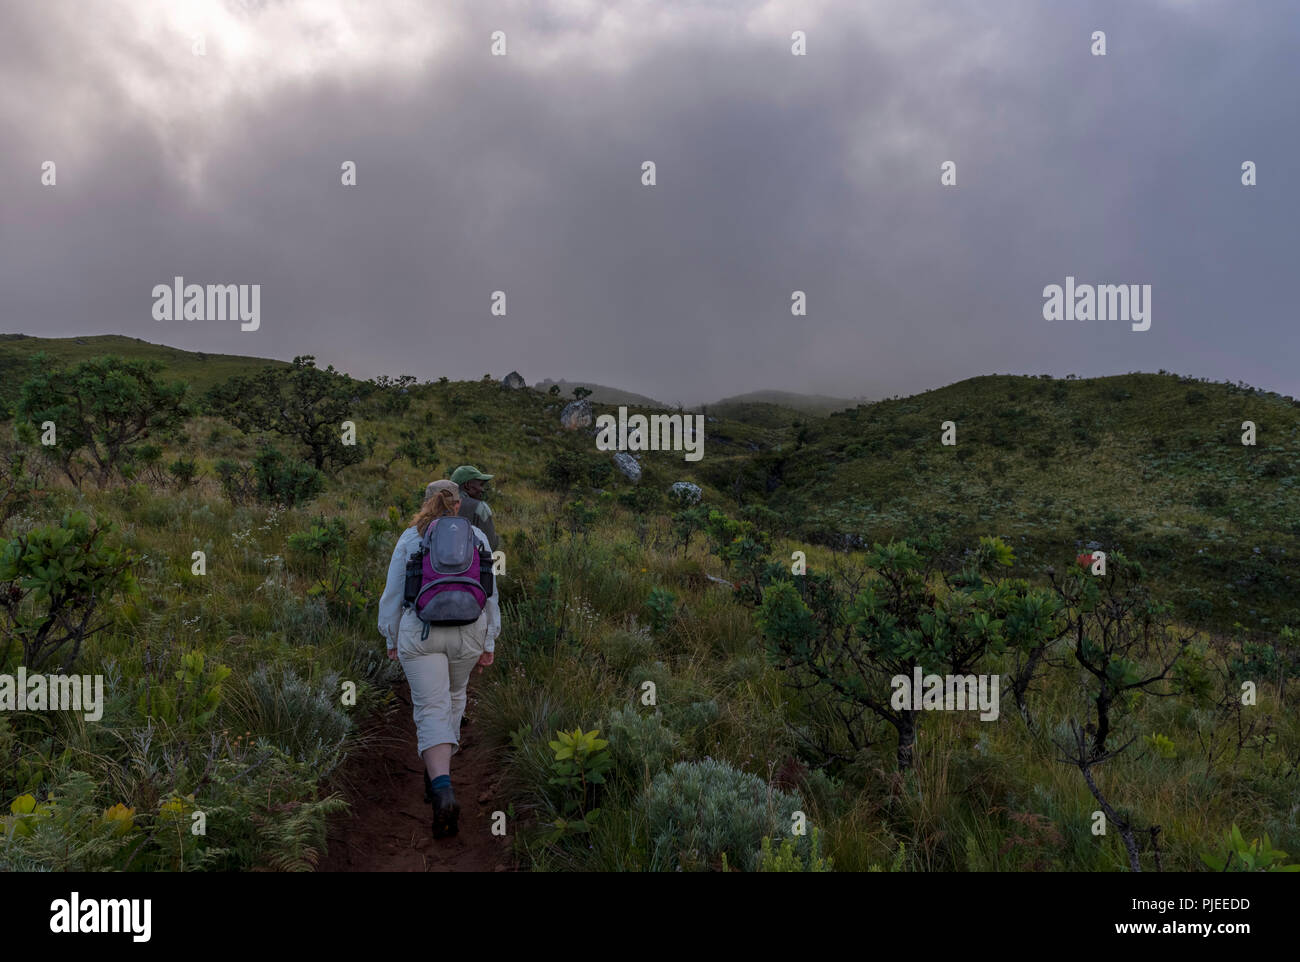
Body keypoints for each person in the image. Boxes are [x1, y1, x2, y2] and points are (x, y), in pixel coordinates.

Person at [378, 480, 500, 838]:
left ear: (425, 501)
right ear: (459, 504)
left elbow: (394, 591)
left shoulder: (410, 537)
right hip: (469, 631)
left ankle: (441, 788)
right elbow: (491, 594)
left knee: (430, 707)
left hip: (422, 630)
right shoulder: (476, 537)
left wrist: (391, 636)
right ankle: (441, 775)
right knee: (454, 696)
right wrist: (489, 640)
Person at [450, 464, 500, 552]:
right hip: (471, 563)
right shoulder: (480, 507)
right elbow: (490, 545)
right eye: (480, 485)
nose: (482, 489)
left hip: (438, 563)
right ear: (467, 485)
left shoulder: (438, 505)